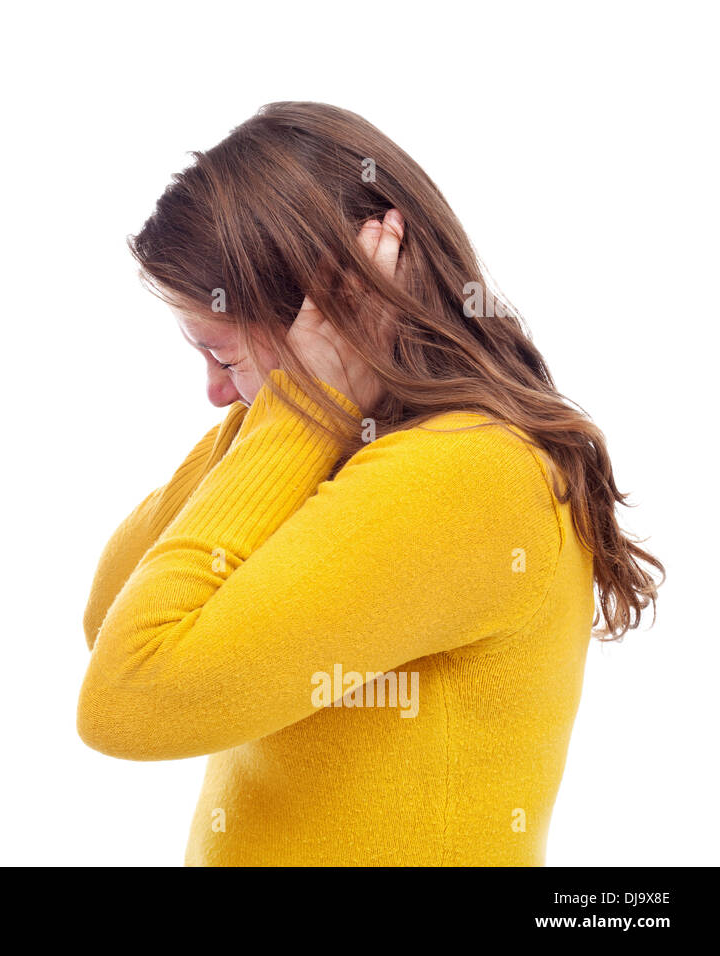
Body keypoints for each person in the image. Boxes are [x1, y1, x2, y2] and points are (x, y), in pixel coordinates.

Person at [77, 102, 664, 866]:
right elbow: (111, 618)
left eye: (223, 358)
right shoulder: (342, 445)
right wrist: (291, 413)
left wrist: (293, 415)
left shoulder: (463, 475)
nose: (218, 398)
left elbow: (128, 696)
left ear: (331, 317)